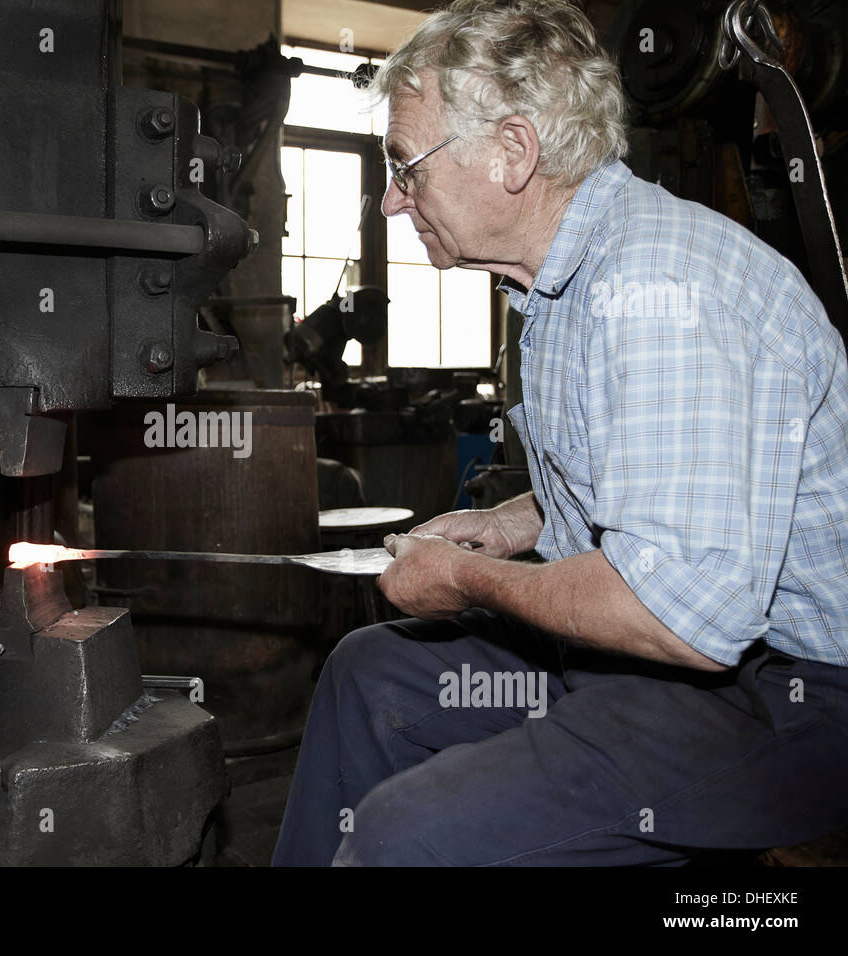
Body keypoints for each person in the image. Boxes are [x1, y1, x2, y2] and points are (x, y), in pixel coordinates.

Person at [273, 0, 848, 866]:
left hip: (787, 700)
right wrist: (508, 526)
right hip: (658, 659)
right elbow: (632, 480)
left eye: (406, 165)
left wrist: (467, 578)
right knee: (369, 675)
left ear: (513, 152)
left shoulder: (659, 289)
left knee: (406, 835)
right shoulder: (560, 287)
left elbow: (680, 616)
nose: (393, 200)